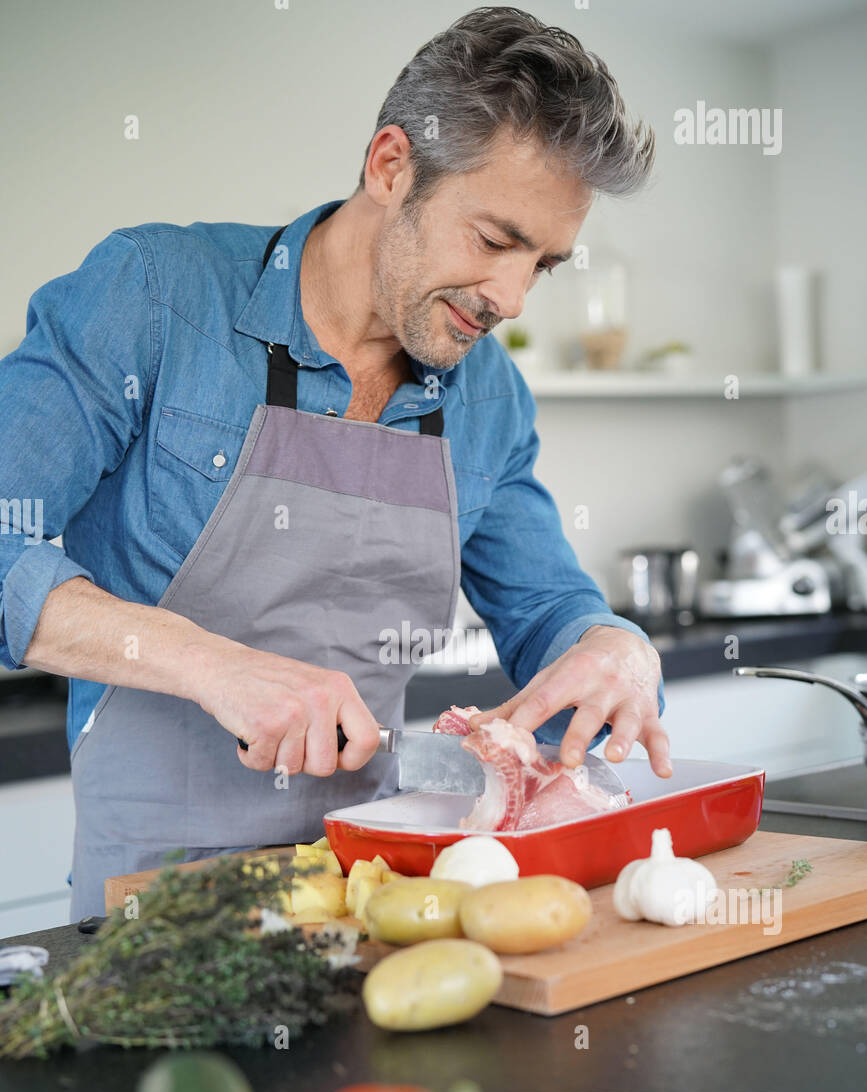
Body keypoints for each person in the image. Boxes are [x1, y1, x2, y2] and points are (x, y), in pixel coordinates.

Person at [0, 7, 670, 918]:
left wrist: (617, 650)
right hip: (150, 905)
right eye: (494, 240)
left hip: (378, 890)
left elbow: (550, 607)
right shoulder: (154, 295)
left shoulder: (489, 398)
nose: (510, 298)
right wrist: (213, 665)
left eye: (543, 265)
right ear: (391, 165)